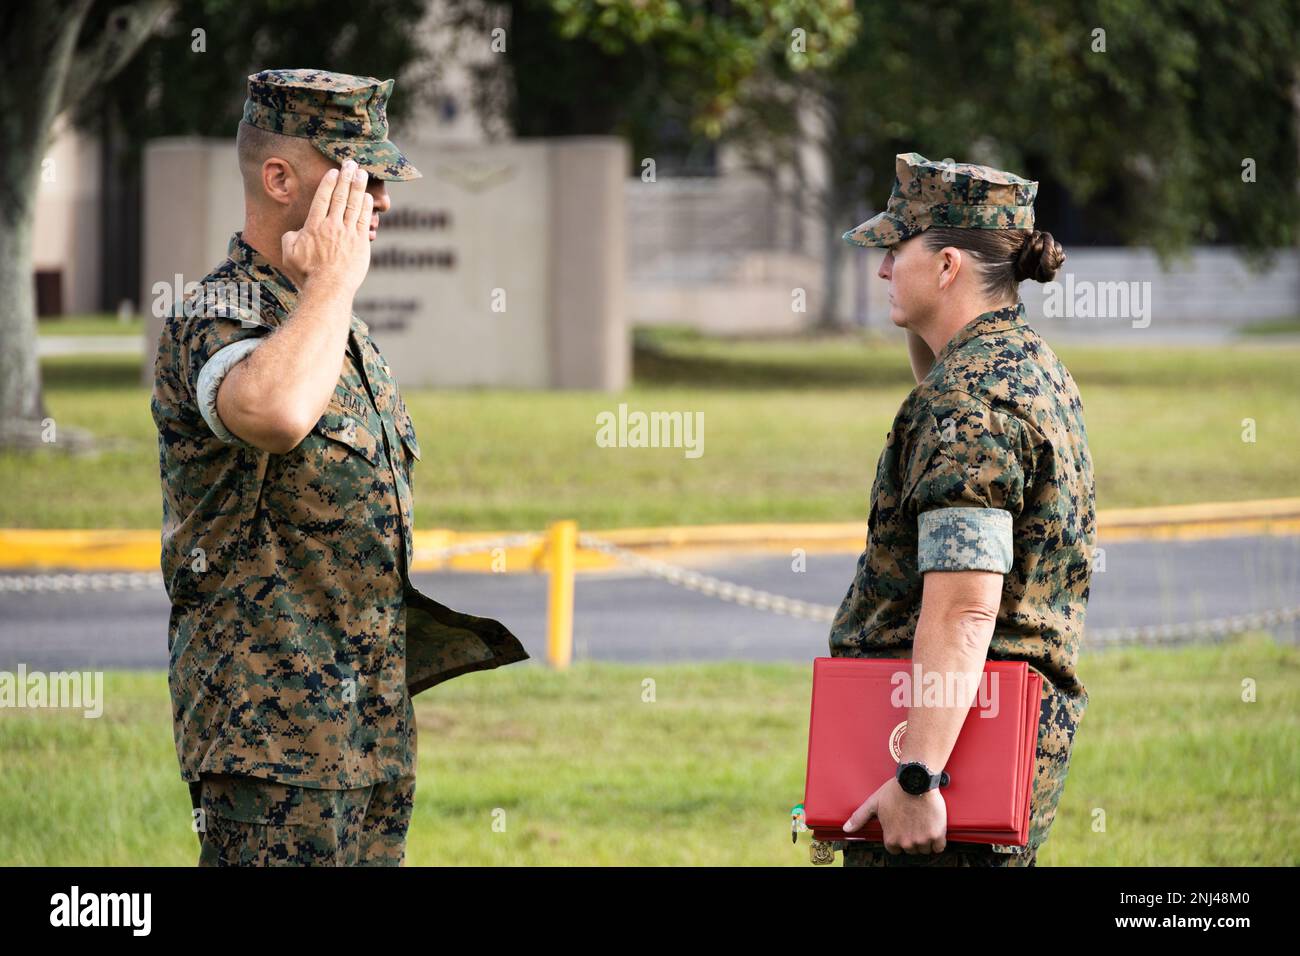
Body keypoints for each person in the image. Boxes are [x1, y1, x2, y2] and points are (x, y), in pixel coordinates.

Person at [150, 69, 529, 866]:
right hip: (269, 749)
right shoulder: (217, 314)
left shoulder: (334, 328)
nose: (382, 200)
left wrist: (329, 293)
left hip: (369, 738)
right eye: (359, 175)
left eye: (384, 177)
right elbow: (277, 413)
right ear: (280, 178)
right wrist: (333, 281)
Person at [828, 152, 1094, 867]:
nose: (883, 269)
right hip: (1000, 754)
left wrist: (918, 778)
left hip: (941, 777)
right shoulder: (1027, 365)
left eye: (896, 249)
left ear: (947, 267)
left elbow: (965, 608)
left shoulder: (964, 405)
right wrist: (926, 327)